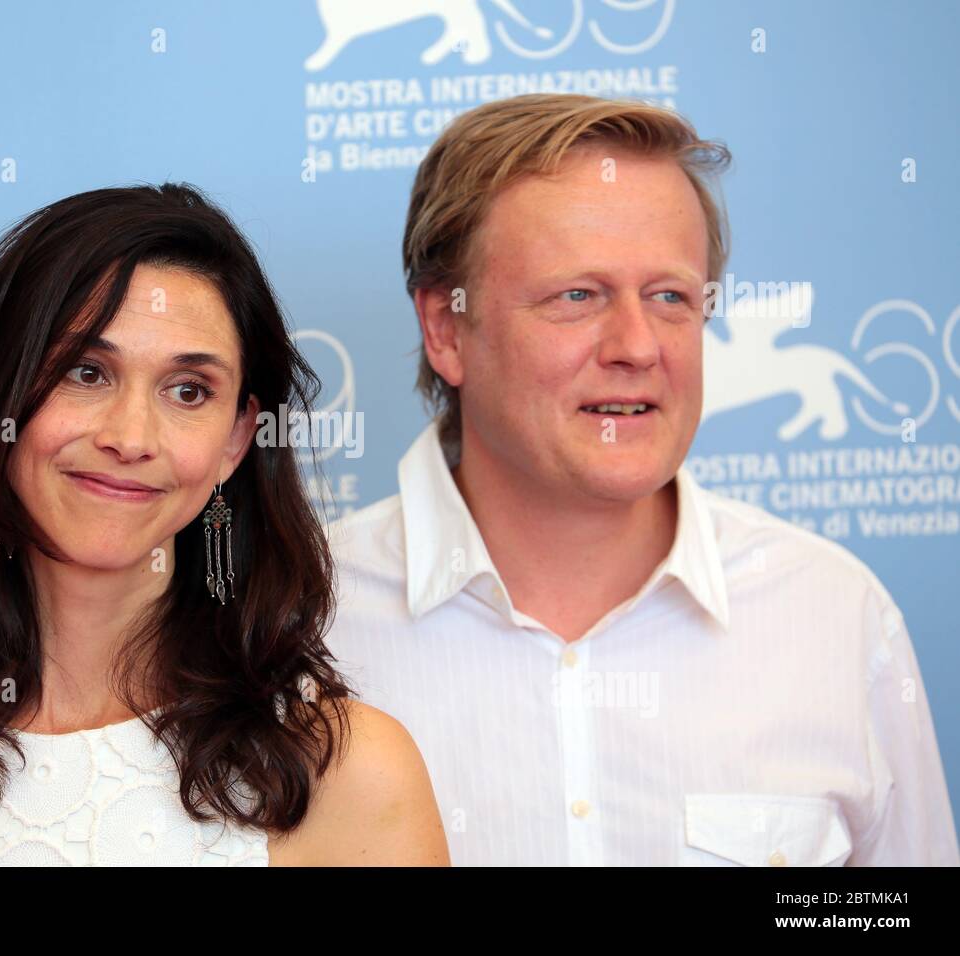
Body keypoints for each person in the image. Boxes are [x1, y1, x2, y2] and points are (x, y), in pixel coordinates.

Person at [323, 93, 959, 866]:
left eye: (670, 297)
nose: (637, 345)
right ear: (445, 329)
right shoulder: (297, 625)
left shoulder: (835, 615)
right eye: (577, 296)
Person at [0, 183, 449, 867]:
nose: (131, 435)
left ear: (238, 440)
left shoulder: (347, 774)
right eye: (87, 372)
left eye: (188, 390)